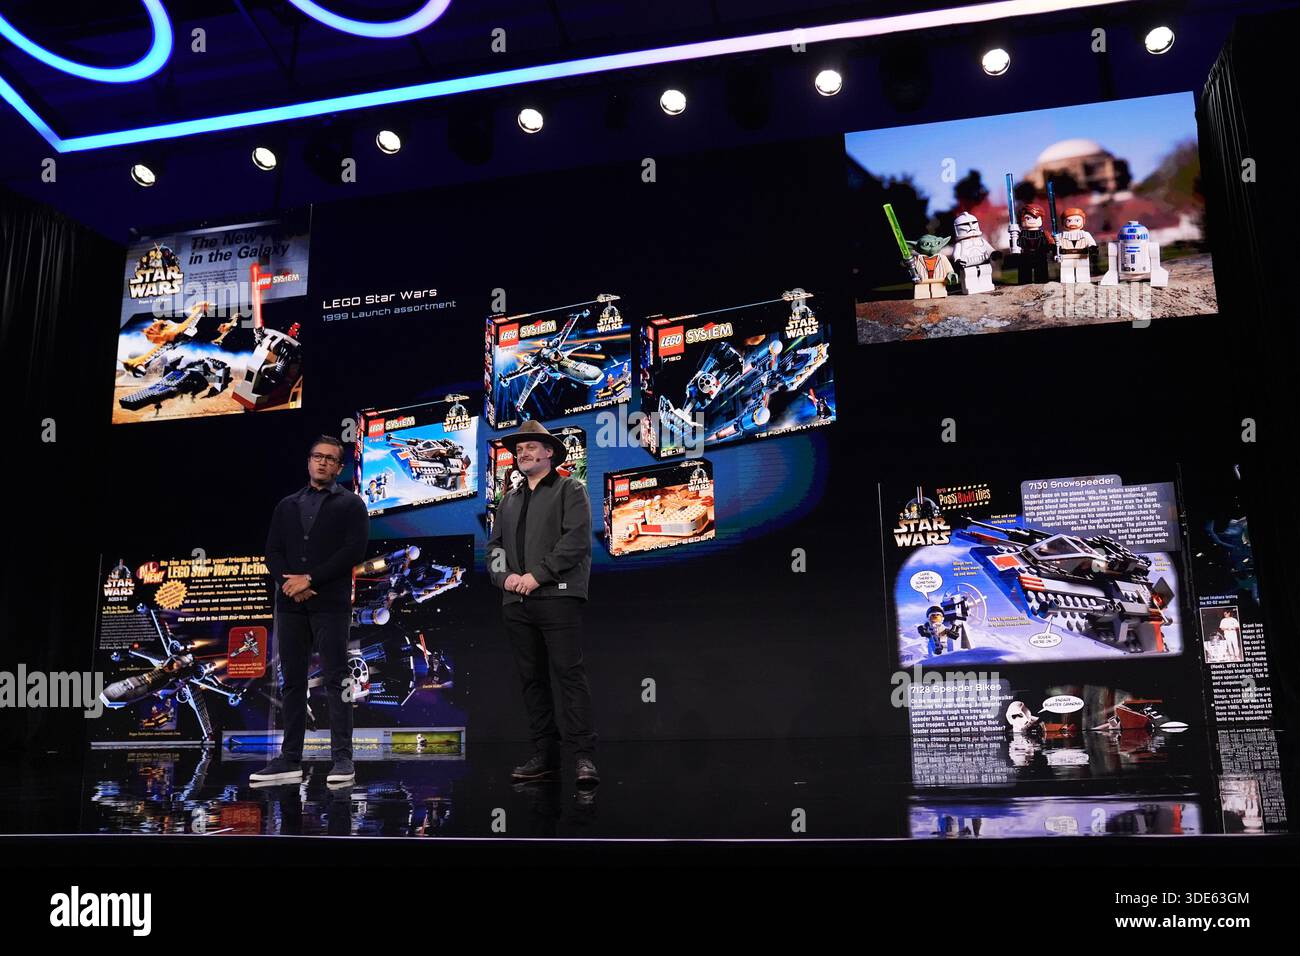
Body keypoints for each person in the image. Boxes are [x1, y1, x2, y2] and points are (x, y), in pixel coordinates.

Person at [251, 435, 369, 787]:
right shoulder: (286, 505)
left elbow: (354, 550)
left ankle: (343, 759)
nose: (322, 463)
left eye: (330, 459)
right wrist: (290, 584)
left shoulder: (352, 504)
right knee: (292, 682)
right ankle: (289, 759)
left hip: (329, 604)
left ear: (339, 467)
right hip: (290, 605)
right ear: (308, 461)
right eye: (317, 456)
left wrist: (310, 579)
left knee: (336, 680)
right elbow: (272, 551)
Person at [486, 419, 598, 785]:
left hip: (556, 596)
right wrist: (505, 578)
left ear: (550, 452)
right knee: (531, 679)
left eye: (531, 446)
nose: (523, 452)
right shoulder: (509, 501)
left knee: (569, 674)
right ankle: (545, 755)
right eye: (518, 449)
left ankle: (583, 757)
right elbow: (494, 549)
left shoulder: (570, 489)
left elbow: (576, 541)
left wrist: (537, 575)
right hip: (515, 602)